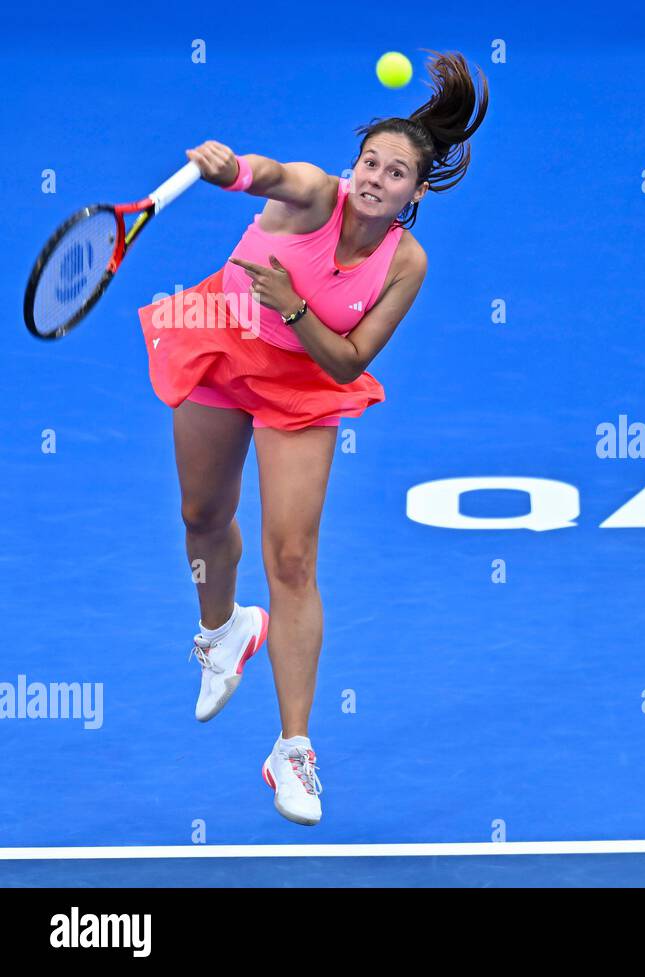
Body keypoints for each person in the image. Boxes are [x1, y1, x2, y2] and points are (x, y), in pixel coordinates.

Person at [137, 51, 488, 826]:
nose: (373, 178)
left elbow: (350, 360)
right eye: (368, 161)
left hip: (305, 380)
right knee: (201, 514)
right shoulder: (313, 195)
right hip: (221, 338)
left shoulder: (407, 263)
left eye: (394, 173)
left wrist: (295, 307)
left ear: (414, 192)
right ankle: (224, 629)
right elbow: (267, 175)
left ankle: (292, 749)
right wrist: (228, 168)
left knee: (292, 558)